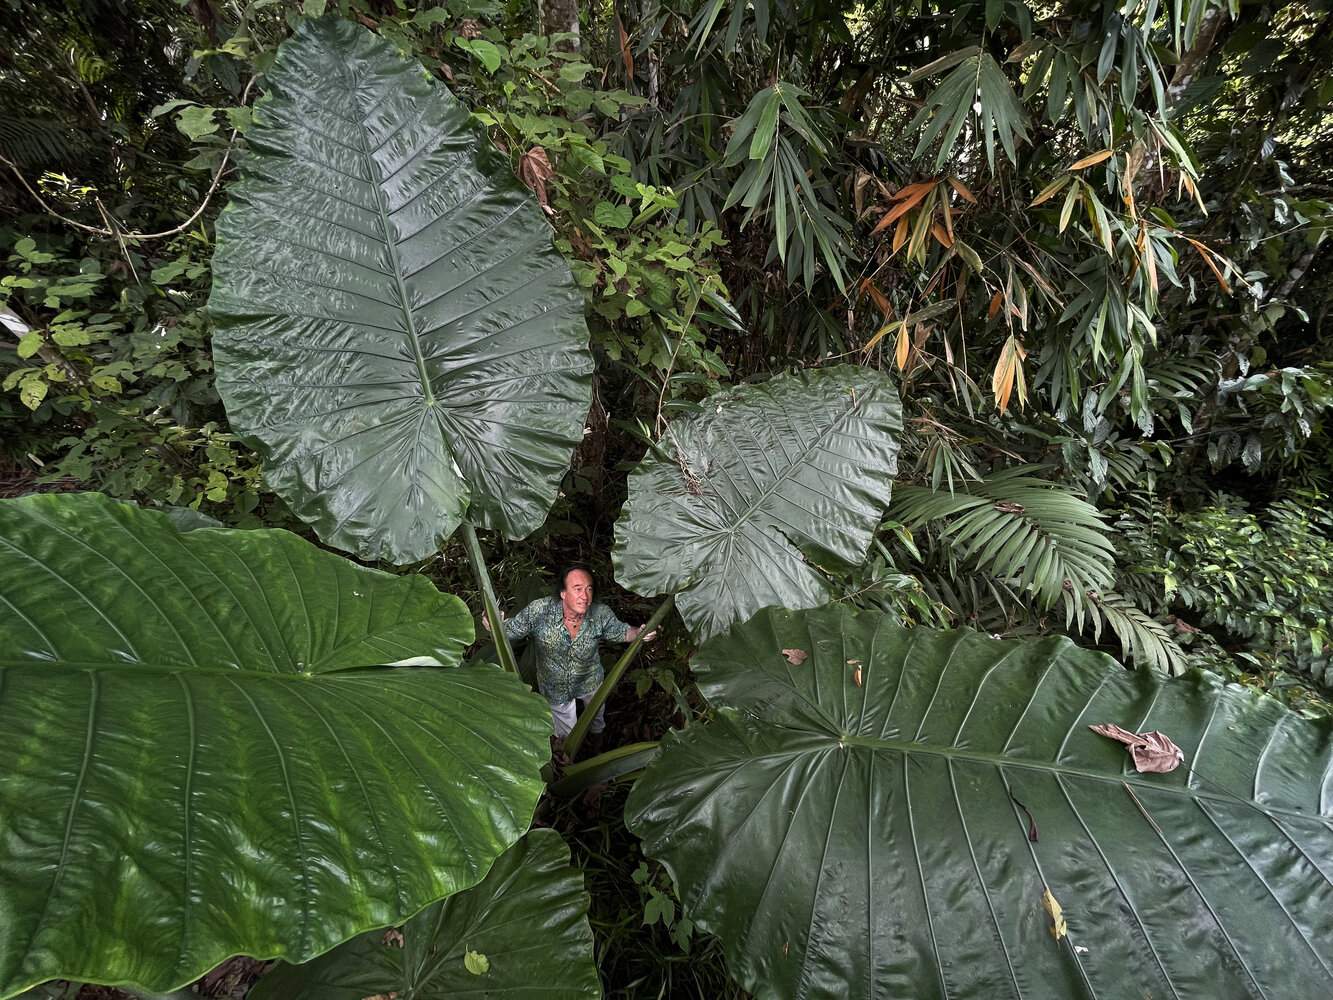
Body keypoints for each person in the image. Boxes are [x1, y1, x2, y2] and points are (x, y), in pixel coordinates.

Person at [482, 564, 656, 743]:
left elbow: (623, 632)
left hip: (590, 681)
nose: (585, 596)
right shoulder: (539, 611)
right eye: (578, 589)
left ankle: (597, 750)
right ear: (563, 593)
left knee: (597, 723)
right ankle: (572, 763)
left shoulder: (600, 613)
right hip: (554, 688)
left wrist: (640, 633)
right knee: (567, 737)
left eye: (589, 589)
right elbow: (507, 632)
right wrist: (493, 625)